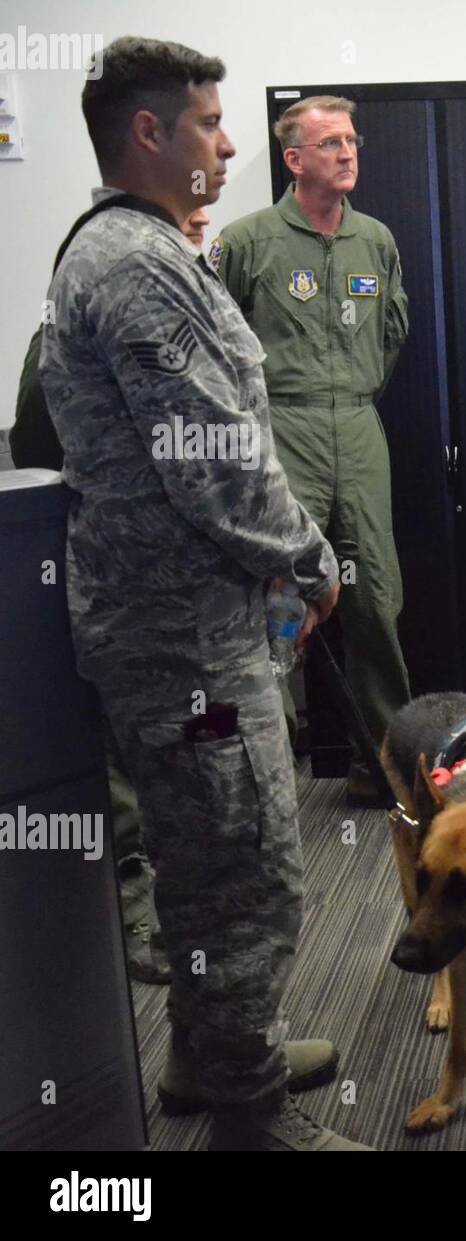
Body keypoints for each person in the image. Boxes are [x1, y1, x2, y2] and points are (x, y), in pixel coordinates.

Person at [40, 36, 364, 1150]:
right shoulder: (136, 262)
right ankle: (250, 1110)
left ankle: (206, 1048)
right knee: (244, 866)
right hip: (185, 640)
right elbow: (215, 460)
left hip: (179, 621)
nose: (230, 145)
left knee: (197, 852)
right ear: (149, 132)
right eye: (211, 123)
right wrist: (311, 560)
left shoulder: (134, 248)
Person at [12, 204, 210, 987]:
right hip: (122, 582)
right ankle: (133, 917)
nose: (193, 244)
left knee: (197, 756)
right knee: (129, 765)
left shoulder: (192, 324)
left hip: (191, 597)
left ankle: (181, 921)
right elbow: (38, 449)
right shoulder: (73, 331)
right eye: (183, 231)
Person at [211, 95, 411, 808]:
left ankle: (381, 762)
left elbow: (390, 336)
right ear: (294, 159)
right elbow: (215, 351)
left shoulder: (375, 241)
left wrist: (350, 400)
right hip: (281, 429)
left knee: (375, 600)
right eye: (330, 143)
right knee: (281, 600)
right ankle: (267, 770)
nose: (347, 152)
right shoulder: (247, 240)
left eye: (352, 140)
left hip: (357, 427)